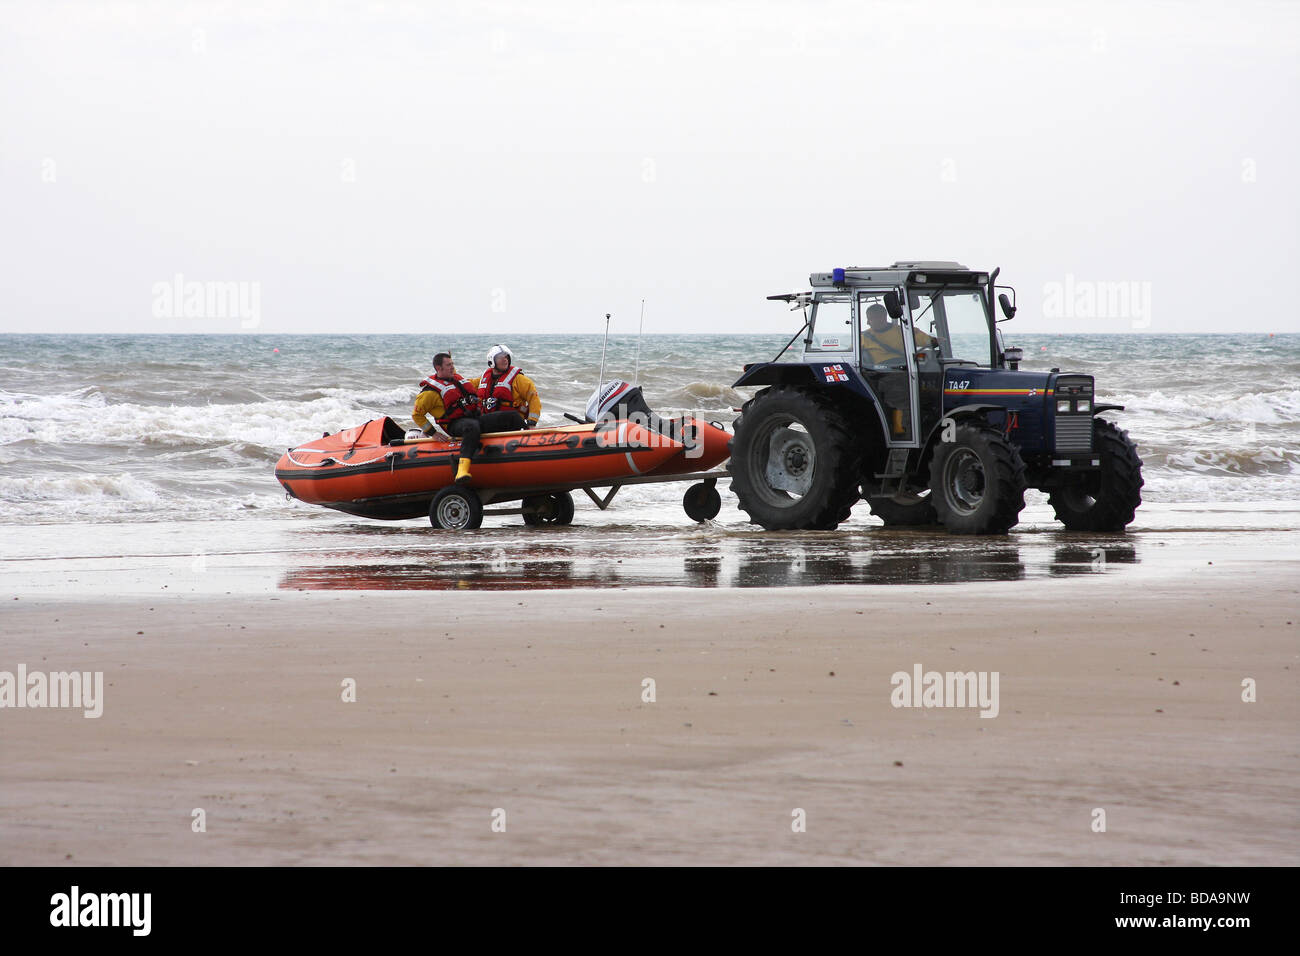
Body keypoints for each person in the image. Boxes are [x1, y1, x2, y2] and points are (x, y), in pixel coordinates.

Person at [412, 352, 532, 485]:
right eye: (448, 365)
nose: (452, 367)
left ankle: (532, 442)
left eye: (452, 364)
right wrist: (433, 433)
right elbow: (417, 415)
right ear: (439, 368)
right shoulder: (429, 393)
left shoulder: (455, 378)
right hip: (455, 425)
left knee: (511, 416)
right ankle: (462, 470)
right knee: (472, 427)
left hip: (474, 418)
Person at [859, 303, 937, 437]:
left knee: (930, 390)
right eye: (873, 318)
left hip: (905, 370)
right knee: (908, 397)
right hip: (882, 374)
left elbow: (926, 340)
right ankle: (908, 434)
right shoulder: (862, 337)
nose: (876, 321)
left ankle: (929, 429)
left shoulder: (902, 331)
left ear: (885, 317)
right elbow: (850, 354)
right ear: (868, 320)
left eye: (879, 317)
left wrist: (936, 341)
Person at [477, 344, 541, 429]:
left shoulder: (519, 379)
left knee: (512, 416)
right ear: (491, 361)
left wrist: (532, 422)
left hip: (511, 423)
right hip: (490, 421)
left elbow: (534, 399)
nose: (505, 360)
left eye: (506, 357)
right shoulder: (484, 379)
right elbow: (466, 384)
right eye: (500, 357)